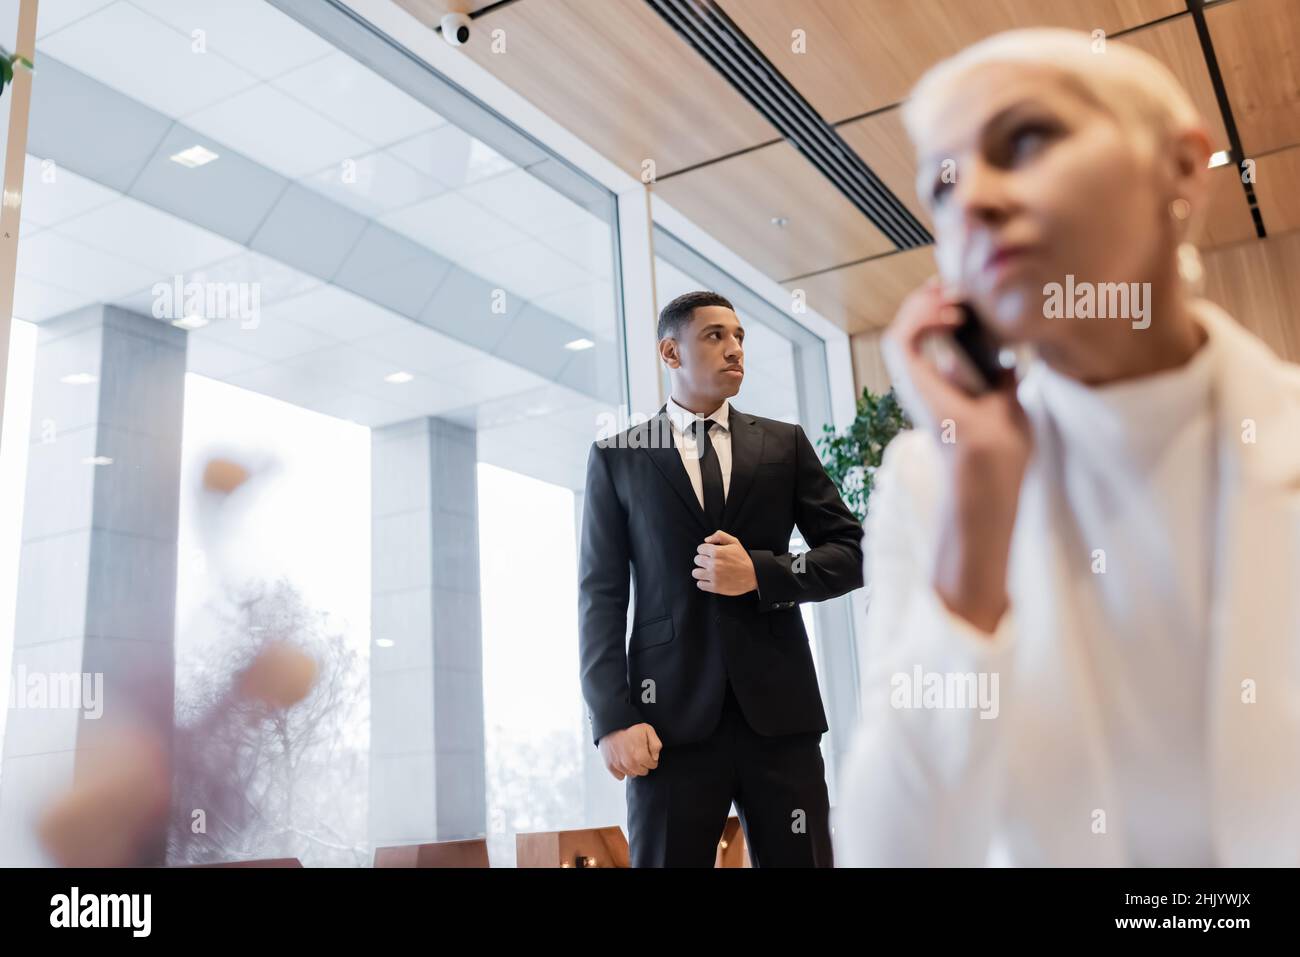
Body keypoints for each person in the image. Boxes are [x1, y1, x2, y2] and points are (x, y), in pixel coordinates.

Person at [835, 28, 1300, 866]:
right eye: (942, 185)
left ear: (1183, 168)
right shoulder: (928, 483)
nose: (971, 197)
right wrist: (976, 528)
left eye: (1025, 139)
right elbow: (895, 854)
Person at [579, 290, 863, 866]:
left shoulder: (783, 444)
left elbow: (851, 552)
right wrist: (612, 718)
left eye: (739, 337)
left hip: (780, 718)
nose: (735, 349)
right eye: (715, 336)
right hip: (666, 727)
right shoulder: (621, 456)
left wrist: (760, 573)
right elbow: (601, 598)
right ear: (670, 351)